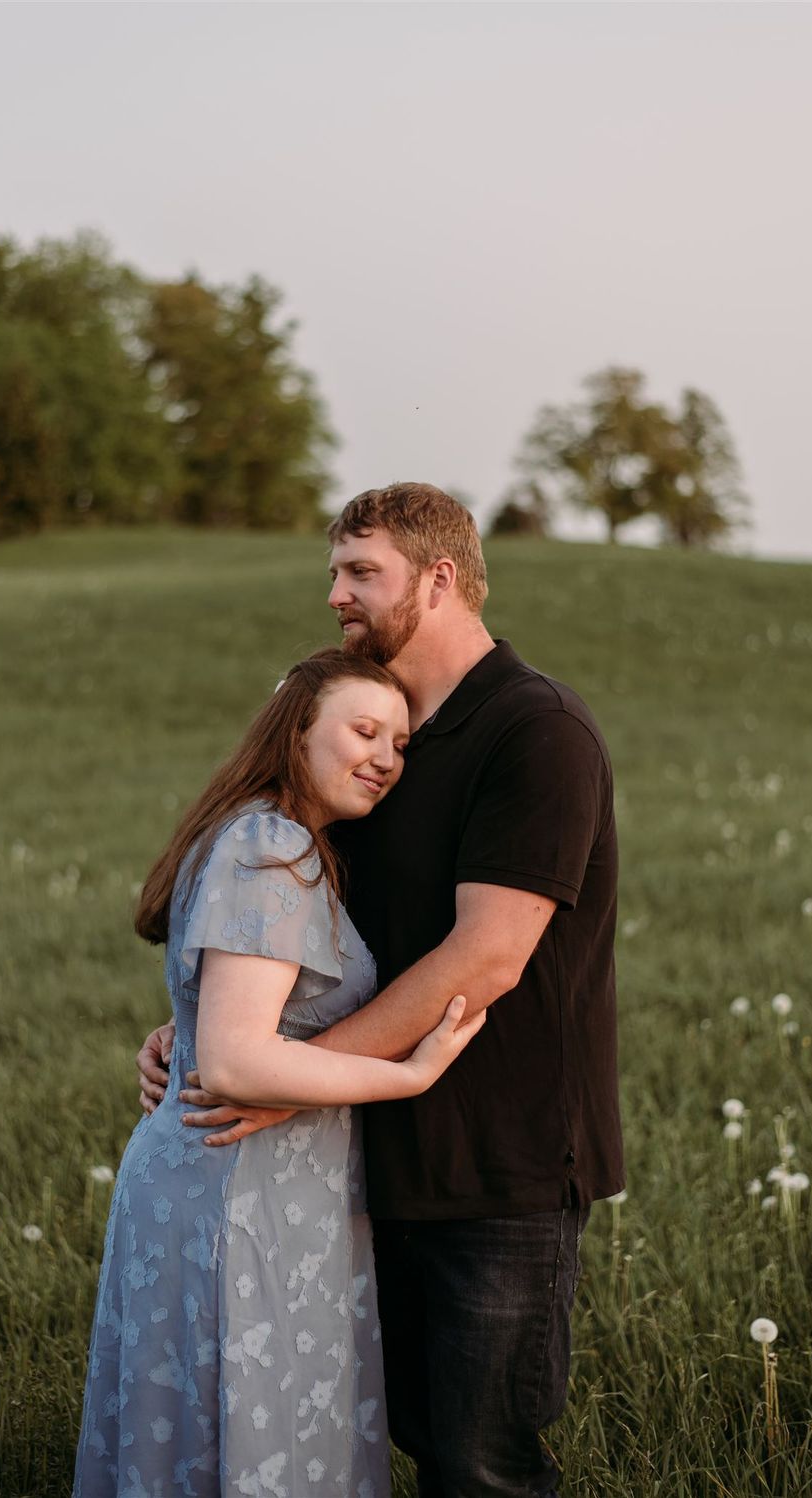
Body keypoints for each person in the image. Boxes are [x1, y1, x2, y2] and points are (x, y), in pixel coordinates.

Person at [139, 482, 625, 1497]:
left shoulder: (536, 732)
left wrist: (290, 1075)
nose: (335, 595)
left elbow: (483, 957)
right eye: (333, 572)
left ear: (438, 579)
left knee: (480, 1461)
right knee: (399, 1437)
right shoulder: (378, 742)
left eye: (360, 571)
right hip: (365, 1151)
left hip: (498, 1161)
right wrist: (213, 1024)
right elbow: (315, 932)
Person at [74, 648, 485, 1498]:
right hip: (238, 1198)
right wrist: (407, 1076)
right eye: (364, 731)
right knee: (245, 1438)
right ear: (294, 732)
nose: (385, 758)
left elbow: (235, 1012)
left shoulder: (260, 834)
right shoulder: (273, 844)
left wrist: (180, 1031)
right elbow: (234, 1060)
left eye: (401, 744)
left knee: (228, 1437)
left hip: (245, 1190)